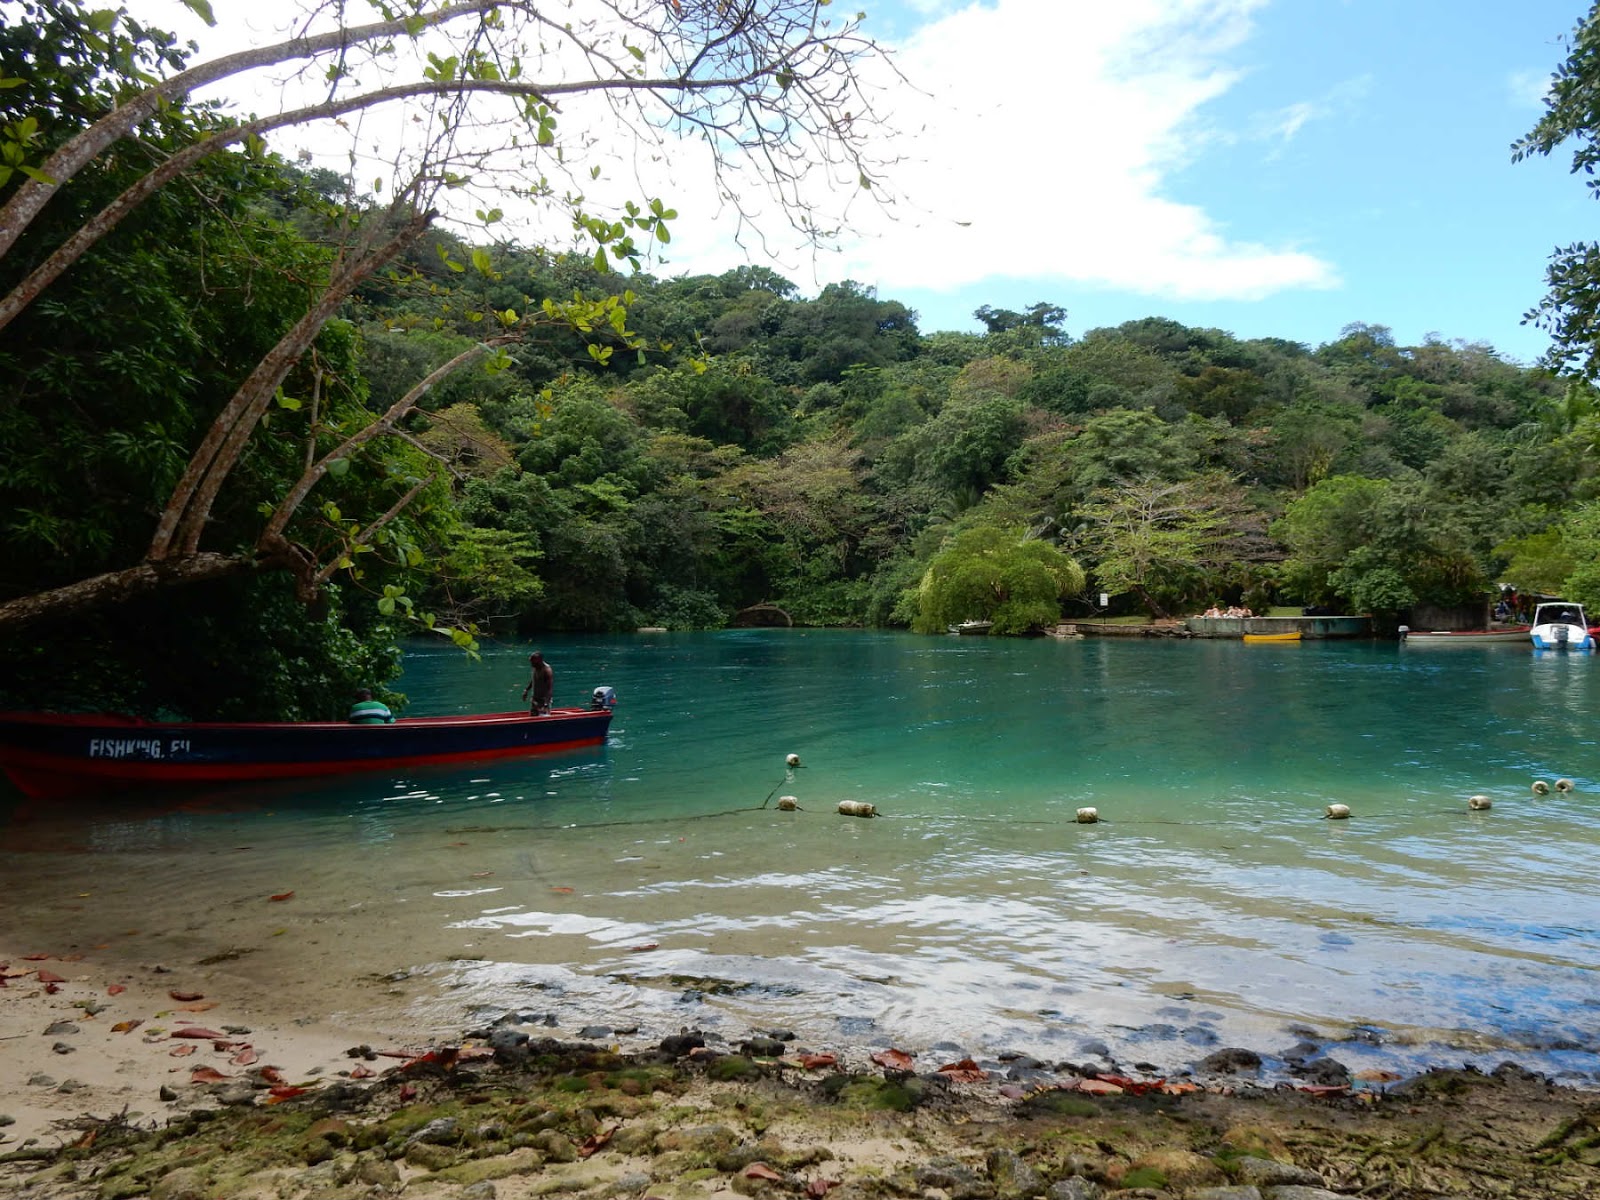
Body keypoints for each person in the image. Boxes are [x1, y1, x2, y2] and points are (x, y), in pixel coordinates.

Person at [523, 651, 554, 715]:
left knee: (543, 718)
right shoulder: (535, 667)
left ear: (539, 661)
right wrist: (526, 690)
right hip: (535, 699)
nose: (531, 664)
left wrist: (546, 704)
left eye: (533, 662)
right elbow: (534, 680)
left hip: (543, 700)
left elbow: (549, 688)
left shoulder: (547, 670)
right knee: (533, 716)